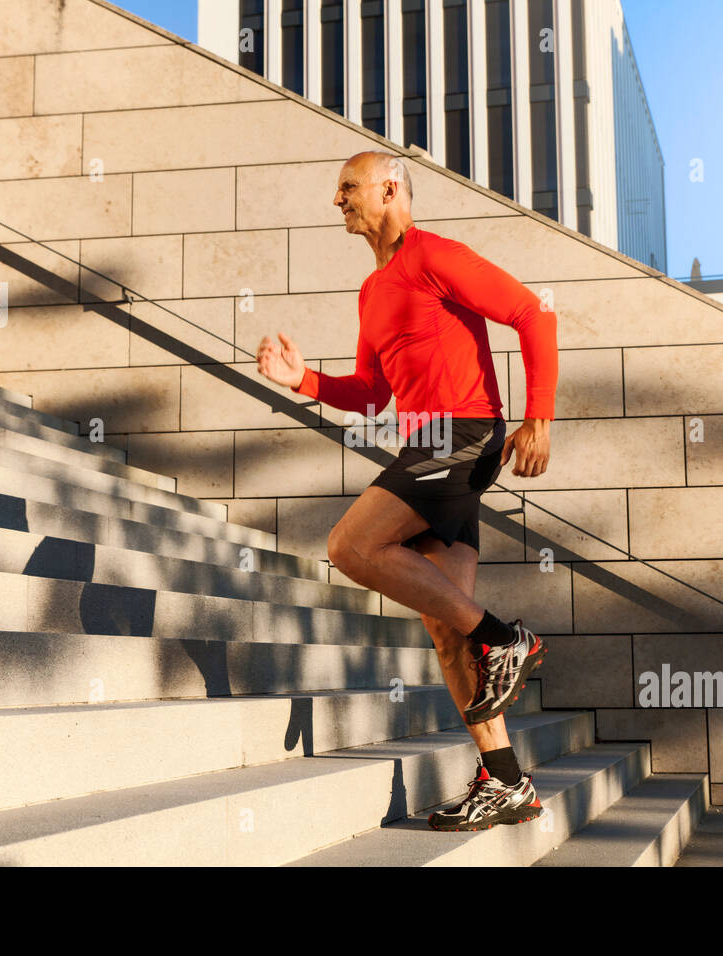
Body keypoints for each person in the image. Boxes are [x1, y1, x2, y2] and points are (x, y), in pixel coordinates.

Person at [256, 150, 558, 831]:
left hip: (463, 436)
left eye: (348, 187)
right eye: (337, 190)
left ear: (390, 189)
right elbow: (372, 393)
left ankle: (506, 638)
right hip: (429, 444)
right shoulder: (374, 290)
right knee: (445, 627)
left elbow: (534, 315)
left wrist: (539, 417)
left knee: (349, 546)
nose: (338, 200)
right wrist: (303, 380)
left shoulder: (433, 256)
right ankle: (506, 783)